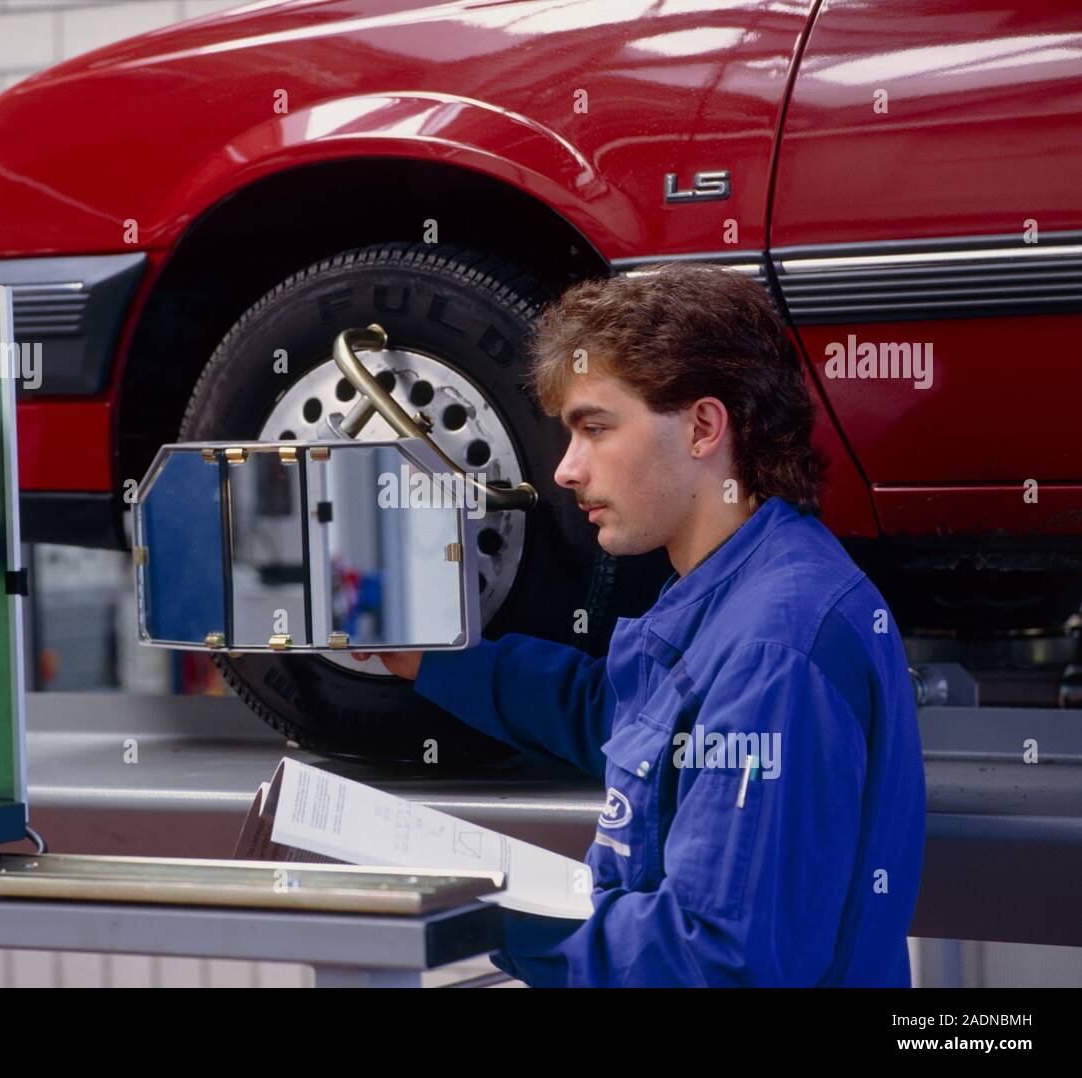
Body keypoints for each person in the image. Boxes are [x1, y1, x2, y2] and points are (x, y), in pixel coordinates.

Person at [356, 263, 926, 987]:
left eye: (595, 428)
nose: (565, 470)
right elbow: (622, 717)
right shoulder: (737, 582)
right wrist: (433, 660)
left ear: (703, 428)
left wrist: (481, 916)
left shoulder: (773, 650)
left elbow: (715, 958)